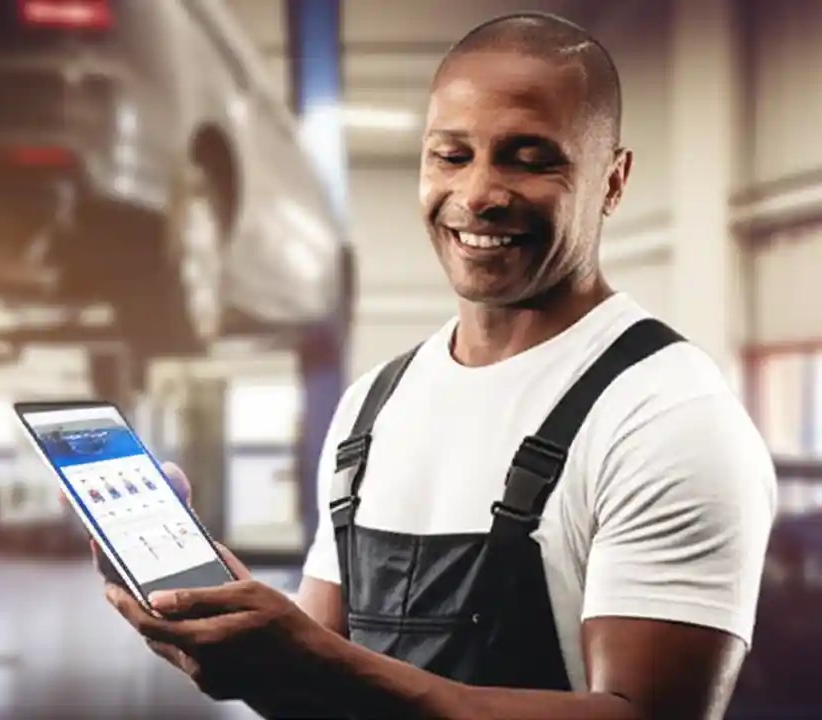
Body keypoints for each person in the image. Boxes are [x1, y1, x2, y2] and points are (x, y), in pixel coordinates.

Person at [101, 11, 779, 720]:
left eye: (529, 156)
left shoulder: (667, 414)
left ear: (613, 181)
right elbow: (317, 691)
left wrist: (314, 657)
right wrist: (228, 637)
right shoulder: (374, 404)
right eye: (452, 156)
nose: (479, 194)